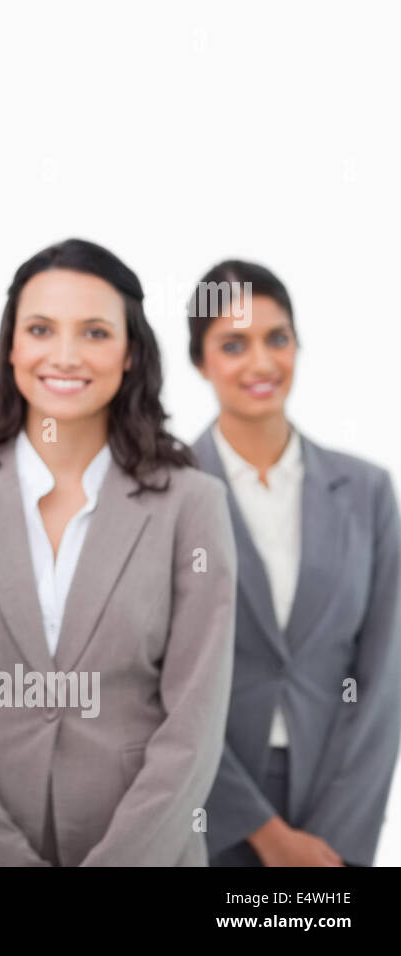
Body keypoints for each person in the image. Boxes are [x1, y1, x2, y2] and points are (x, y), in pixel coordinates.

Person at [0, 238, 236, 866]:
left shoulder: (192, 503)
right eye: (41, 328)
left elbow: (195, 730)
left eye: (95, 332)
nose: (65, 355)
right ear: (11, 345)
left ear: (130, 354)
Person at [190, 259, 401, 867]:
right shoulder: (168, 490)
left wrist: (332, 840)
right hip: (205, 800)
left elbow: (383, 673)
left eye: (276, 338)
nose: (261, 363)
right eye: (234, 344)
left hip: (339, 800)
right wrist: (269, 837)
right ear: (201, 363)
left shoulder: (367, 491)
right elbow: (156, 684)